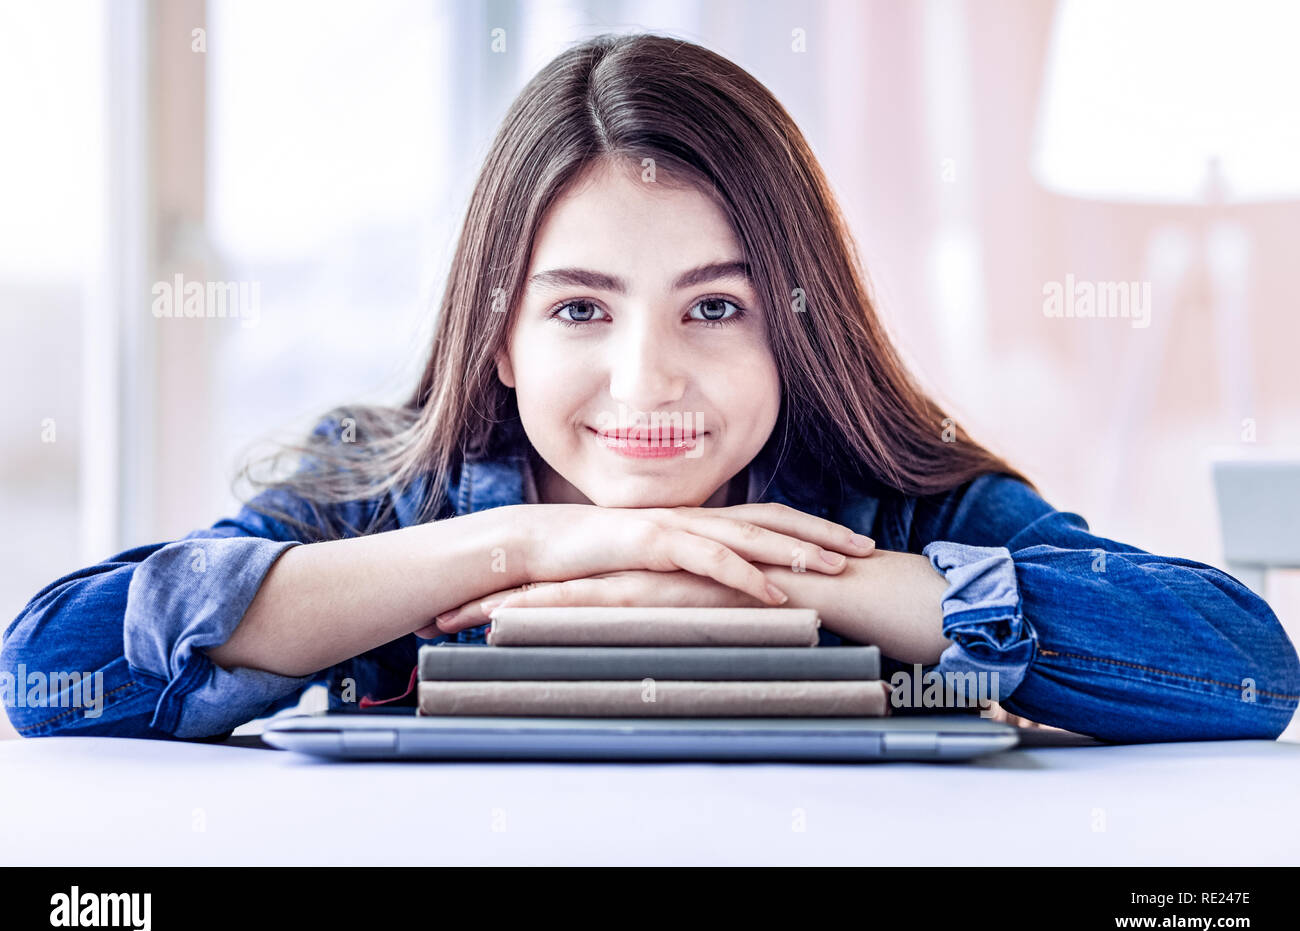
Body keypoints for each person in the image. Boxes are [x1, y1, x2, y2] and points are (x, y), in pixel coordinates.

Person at [3, 33, 1296, 743]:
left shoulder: (889, 497)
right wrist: (521, 545)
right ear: (498, 336)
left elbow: (1243, 673)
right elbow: (47, 674)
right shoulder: (388, 485)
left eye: (717, 308)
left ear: (799, 328)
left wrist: (802, 575)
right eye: (579, 309)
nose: (649, 377)